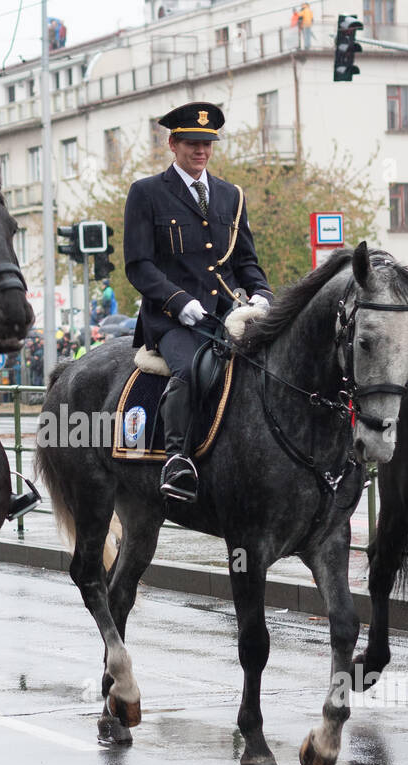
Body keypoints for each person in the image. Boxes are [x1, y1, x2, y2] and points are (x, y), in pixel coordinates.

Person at [123, 101, 273, 502]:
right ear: (173, 144)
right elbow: (138, 265)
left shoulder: (231, 196)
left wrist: (262, 294)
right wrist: (178, 301)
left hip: (227, 312)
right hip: (171, 319)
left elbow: (245, 261)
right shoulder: (147, 193)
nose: (200, 151)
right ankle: (178, 459)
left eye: (207, 144)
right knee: (191, 370)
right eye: (191, 143)